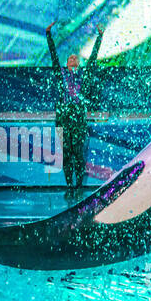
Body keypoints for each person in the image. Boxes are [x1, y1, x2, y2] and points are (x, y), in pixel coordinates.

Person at [47, 21, 104, 200]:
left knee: (78, 153)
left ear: (78, 62)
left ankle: (78, 184)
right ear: (67, 62)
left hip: (78, 117)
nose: (72, 59)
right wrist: (48, 34)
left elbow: (93, 59)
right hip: (63, 117)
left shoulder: (83, 77)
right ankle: (69, 185)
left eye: (75, 58)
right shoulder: (60, 75)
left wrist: (100, 37)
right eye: (70, 58)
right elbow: (54, 56)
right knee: (65, 152)